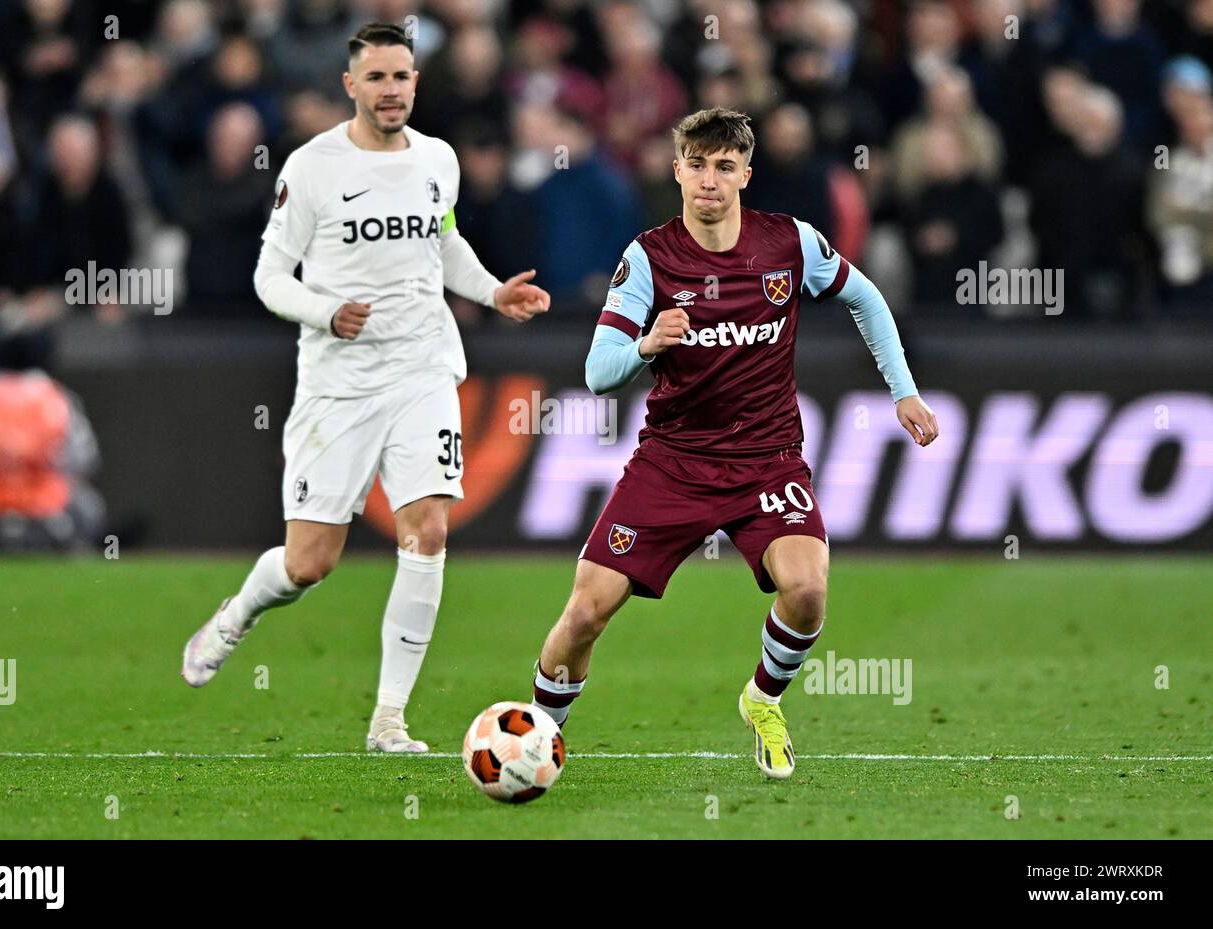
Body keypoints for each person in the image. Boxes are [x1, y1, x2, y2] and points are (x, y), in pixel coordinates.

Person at [528, 107, 939, 779]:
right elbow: (597, 375)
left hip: (768, 461)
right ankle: (539, 732)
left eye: (724, 167)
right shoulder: (649, 258)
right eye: (697, 165)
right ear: (677, 171)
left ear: (745, 174)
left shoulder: (790, 245)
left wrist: (903, 389)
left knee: (806, 590)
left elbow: (866, 298)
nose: (710, 181)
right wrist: (645, 344)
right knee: (585, 613)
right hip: (672, 463)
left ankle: (763, 699)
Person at [180, 23, 550, 753]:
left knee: (429, 530)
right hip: (339, 384)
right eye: (376, 78)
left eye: (402, 76)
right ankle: (236, 614)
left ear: (416, 81)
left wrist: (490, 290)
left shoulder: (438, 159)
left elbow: (441, 241)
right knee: (308, 562)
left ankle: (389, 719)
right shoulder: (312, 168)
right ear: (350, 86)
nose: (391, 90)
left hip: (422, 366)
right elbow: (268, 277)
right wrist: (325, 312)